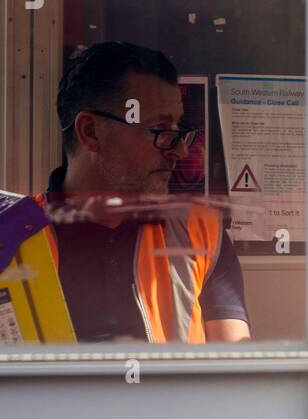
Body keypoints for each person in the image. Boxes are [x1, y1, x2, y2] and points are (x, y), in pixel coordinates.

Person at [33, 41, 251, 343]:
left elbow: (235, 371)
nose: (182, 150)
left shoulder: (202, 231)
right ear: (91, 132)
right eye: (161, 130)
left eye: (179, 129)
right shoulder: (14, 237)